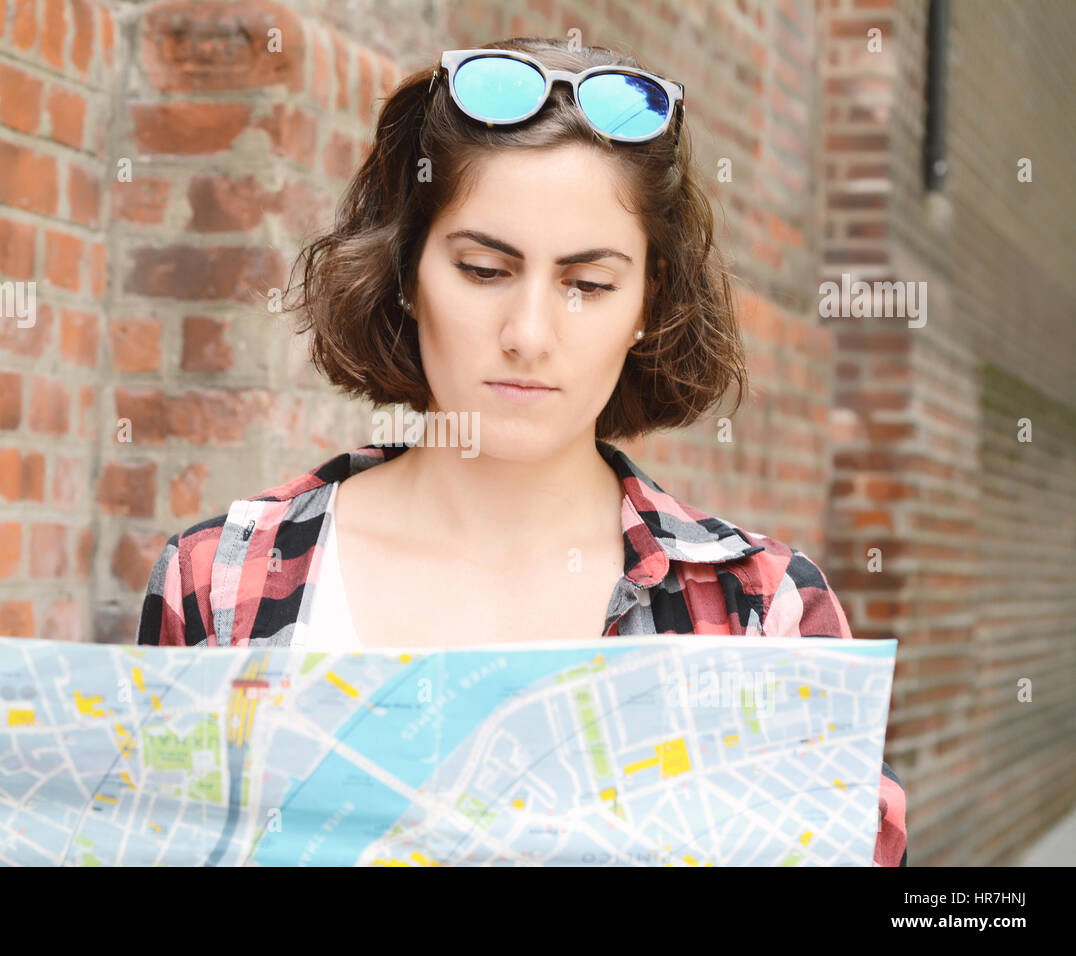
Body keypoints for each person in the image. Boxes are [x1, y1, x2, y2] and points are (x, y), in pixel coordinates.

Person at [135, 37, 907, 866]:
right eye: (483, 269)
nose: (529, 335)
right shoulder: (218, 583)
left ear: (649, 303)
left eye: (589, 284)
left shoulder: (762, 613)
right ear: (406, 273)